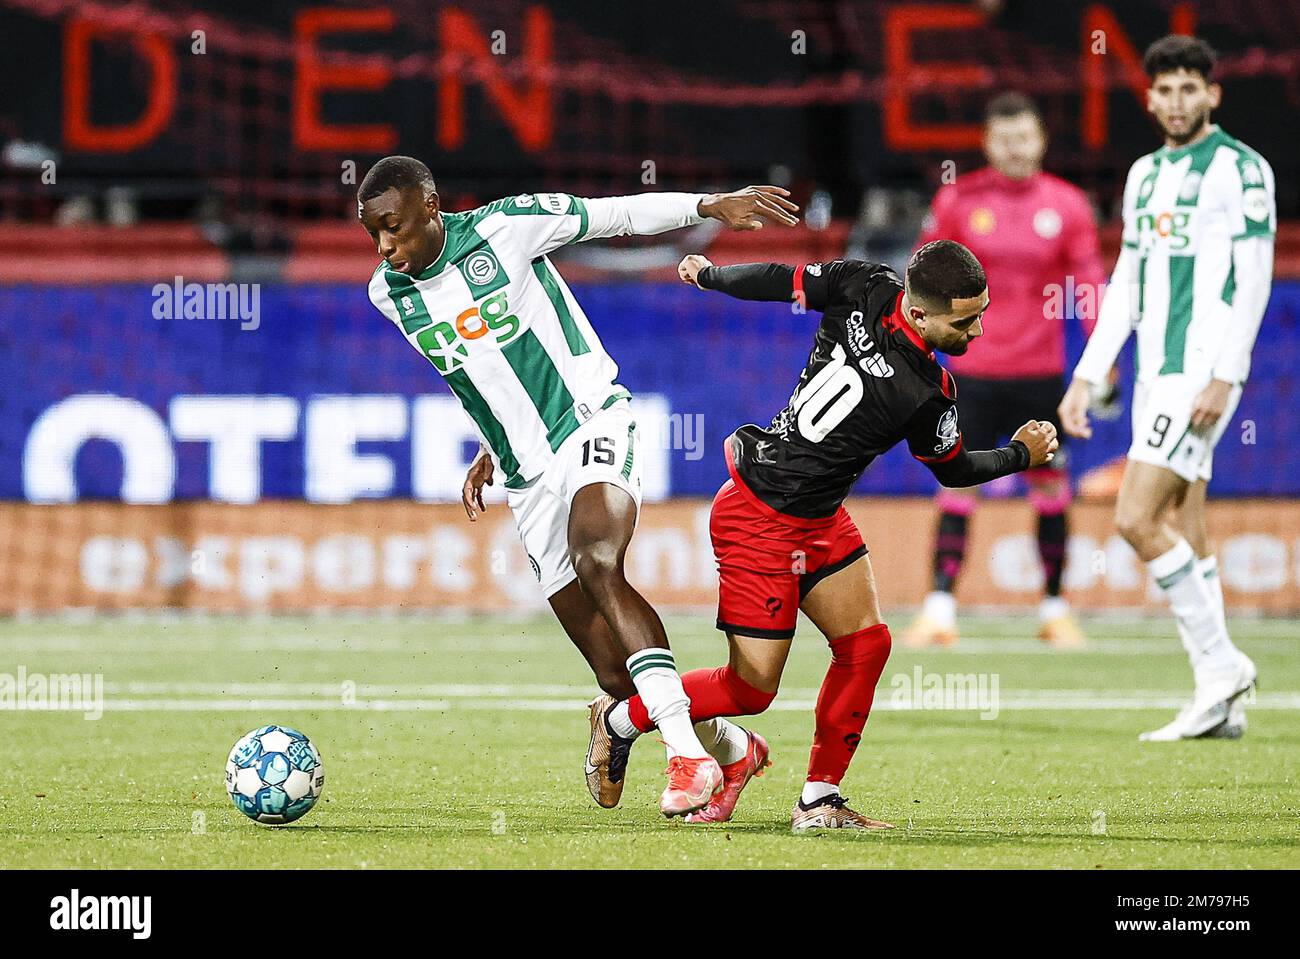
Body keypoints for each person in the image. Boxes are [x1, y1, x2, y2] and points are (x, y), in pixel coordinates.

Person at [359, 156, 800, 813]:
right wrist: (490, 444)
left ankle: (688, 760)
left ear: (430, 207)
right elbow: (471, 368)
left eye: (392, 227)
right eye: (373, 234)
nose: (384, 246)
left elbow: (615, 215)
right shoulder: (387, 295)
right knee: (616, 673)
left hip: (591, 417)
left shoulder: (506, 228)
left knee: (599, 559)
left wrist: (708, 205)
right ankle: (728, 748)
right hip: (525, 473)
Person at [587, 240, 1058, 830]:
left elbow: (778, 279)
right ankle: (621, 720)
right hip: (760, 519)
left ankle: (819, 800)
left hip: (817, 516)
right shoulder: (926, 392)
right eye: (964, 320)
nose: (978, 331)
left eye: (981, 313)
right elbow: (956, 471)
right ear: (918, 314)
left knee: (868, 644)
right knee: (750, 690)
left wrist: (710, 275)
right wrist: (1022, 453)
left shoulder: (865, 282)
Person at [1058, 35, 1275, 741]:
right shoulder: (1146, 174)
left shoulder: (1242, 170)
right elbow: (1125, 283)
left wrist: (1227, 370)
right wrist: (1089, 373)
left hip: (1203, 369)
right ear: (1149, 98)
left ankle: (1220, 665)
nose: (1177, 101)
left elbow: (1255, 273)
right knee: (1185, 522)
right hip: (1156, 374)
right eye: (1166, 89)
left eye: (1191, 88)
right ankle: (1222, 705)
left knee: (1134, 517)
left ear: (1213, 94)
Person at [905, 92, 1107, 649]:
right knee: (957, 484)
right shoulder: (957, 201)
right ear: (988, 143)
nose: (1015, 148)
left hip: (1040, 377)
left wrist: (1100, 356)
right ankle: (940, 611)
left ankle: (1055, 610)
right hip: (969, 375)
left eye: (1025, 137)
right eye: (1004, 139)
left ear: (1041, 139)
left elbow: (1089, 284)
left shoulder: (1067, 205)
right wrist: (912, 349)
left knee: (1050, 487)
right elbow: (920, 281)